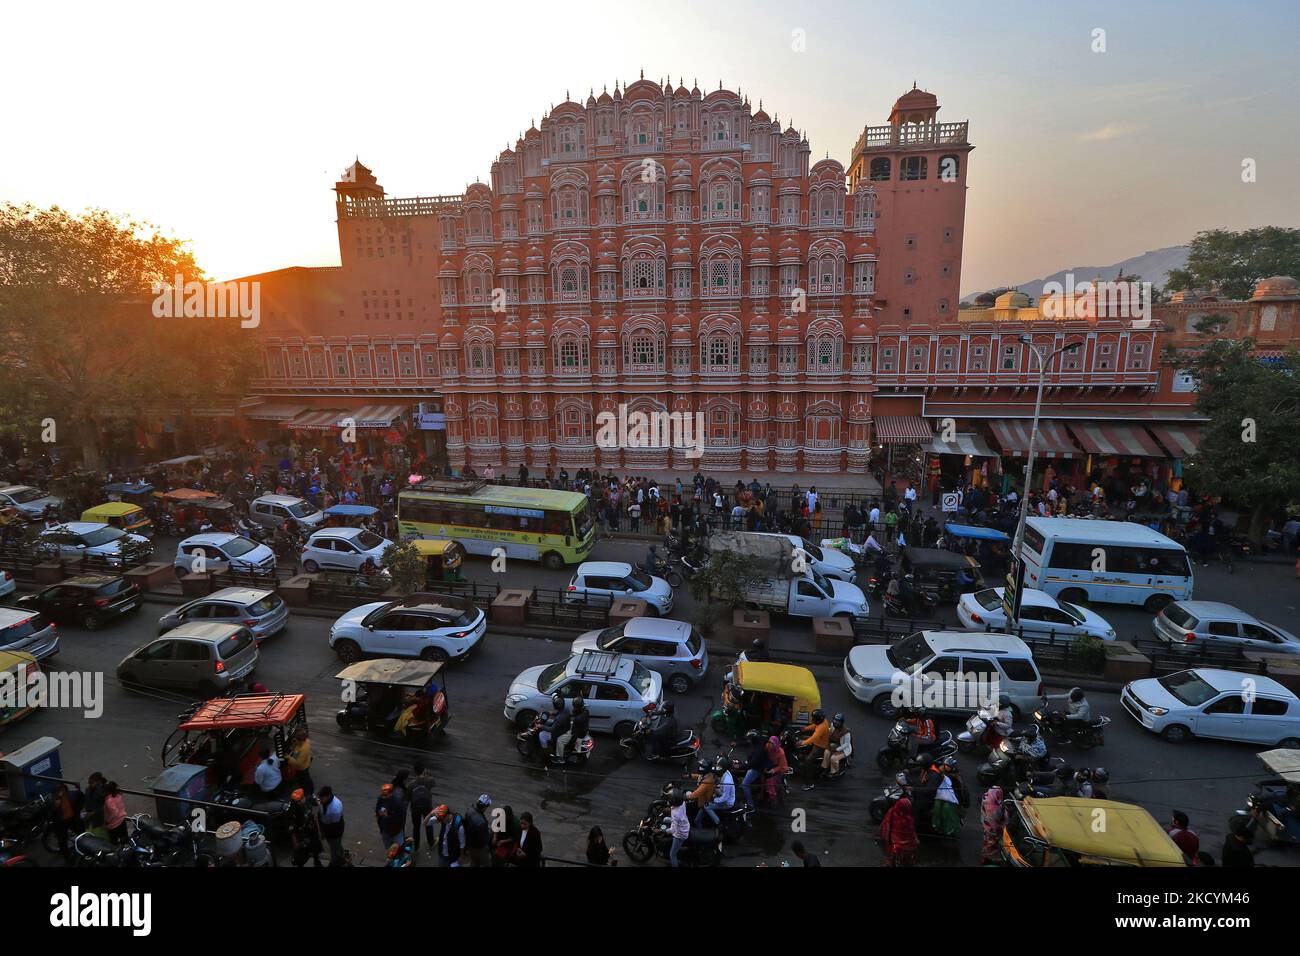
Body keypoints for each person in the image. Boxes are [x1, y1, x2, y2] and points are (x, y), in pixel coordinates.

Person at [880, 791, 919, 866]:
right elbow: (912, 834)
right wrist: (916, 840)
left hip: (892, 842)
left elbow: (885, 823)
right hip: (904, 847)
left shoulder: (892, 811)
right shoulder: (908, 819)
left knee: (893, 857)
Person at [287, 789, 324, 867]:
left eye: (301, 799)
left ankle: (317, 861)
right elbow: (292, 829)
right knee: (301, 856)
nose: (300, 802)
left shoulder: (308, 800)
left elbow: (317, 803)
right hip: (302, 835)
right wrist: (295, 843)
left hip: (312, 830)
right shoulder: (293, 811)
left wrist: (319, 830)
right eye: (298, 801)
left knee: (316, 848)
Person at [50, 783, 85, 859]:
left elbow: (82, 797)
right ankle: (67, 857)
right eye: (58, 792)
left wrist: (79, 810)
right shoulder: (53, 801)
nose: (60, 793)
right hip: (61, 823)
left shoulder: (73, 794)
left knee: (80, 834)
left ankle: (83, 851)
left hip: (72, 819)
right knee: (62, 841)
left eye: (62, 791)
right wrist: (56, 806)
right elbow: (50, 813)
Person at [408, 763, 436, 854]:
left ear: (414, 772)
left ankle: (416, 846)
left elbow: (408, 797)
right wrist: (427, 775)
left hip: (415, 808)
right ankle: (431, 842)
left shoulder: (411, 784)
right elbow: (433, 782)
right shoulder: (429, 781)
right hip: (427, 807)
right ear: (424, 771)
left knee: (416, 827)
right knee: (428, 824)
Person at [317, 786, 347, 866]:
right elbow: (320, 814)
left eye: (322, 798)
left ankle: (335, 862)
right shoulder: (323, 801)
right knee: (335, 846)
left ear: (328, 796)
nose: (320, 800)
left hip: (335, 831)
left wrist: (324, 833)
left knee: (334, 846)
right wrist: (321, 829)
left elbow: (334, 827)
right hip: (326, 827)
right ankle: (341, 858)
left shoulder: (335, 807)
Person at [740, 730, 769, 809]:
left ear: (753, 740)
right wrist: (737, 744)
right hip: (752, 764)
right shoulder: (755, 744)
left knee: (744, 785)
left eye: (749, 739)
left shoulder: (758, 750)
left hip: (756, 769)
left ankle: (750, 805)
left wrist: (740, 767)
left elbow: (752, 764)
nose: (748, 740)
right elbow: (746, 743)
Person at [980, 784, 1008, 864]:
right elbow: (996, 820)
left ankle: (985, 857)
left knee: (987, 842)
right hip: (993, 829)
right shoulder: (994, 807)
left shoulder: (986, 797)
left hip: (986, 826)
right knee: (992, 844)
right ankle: (989, 859)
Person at [555, 696, 588, 760]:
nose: (573, 707)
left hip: (576, 732)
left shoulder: (578, 719)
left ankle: (560, 758)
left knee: (560, 740)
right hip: (582, 729)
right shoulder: (586, 711)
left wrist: (571, 742)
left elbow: (575, 732)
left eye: (574, 706)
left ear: (577, 707)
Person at [464, 794, 493, 867]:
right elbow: (484, 840)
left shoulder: (469, 810)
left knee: (474, 862)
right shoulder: (482, 822)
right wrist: (491, 833)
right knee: (487, 864)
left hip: (469, 844)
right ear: (485, 807)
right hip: (479, 848)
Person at [284, 728, 313, 797]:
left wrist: (288, 757)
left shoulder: (303, 749)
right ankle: (309, 790)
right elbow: (297, 748)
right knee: (306, 779)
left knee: (304, 780)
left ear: (300, 740)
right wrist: (294, 746)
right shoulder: (306, 741)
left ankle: (307, 793)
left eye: (297, 740)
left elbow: (298, 763)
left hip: (302, 768)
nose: (295, 741)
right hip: (306, 763)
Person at [375, 783, 405, 851]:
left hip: (395, 831)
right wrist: (378, 813)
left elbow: (399, 818)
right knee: (388, 848)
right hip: (384, 829)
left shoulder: (397, 803)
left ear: (391, 793)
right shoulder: (381, 799)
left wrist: (386, 816)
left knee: (399, 849)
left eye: (385, 795)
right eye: (382, 795)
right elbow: (377, 810)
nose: (383, 797)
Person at [667, 793, 690, 868]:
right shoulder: (682, 803)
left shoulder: (675, 814)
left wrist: (662, 831)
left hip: (680, 834)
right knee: (665, 819)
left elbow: (672, 830)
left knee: (672, 855)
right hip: (684, 824)